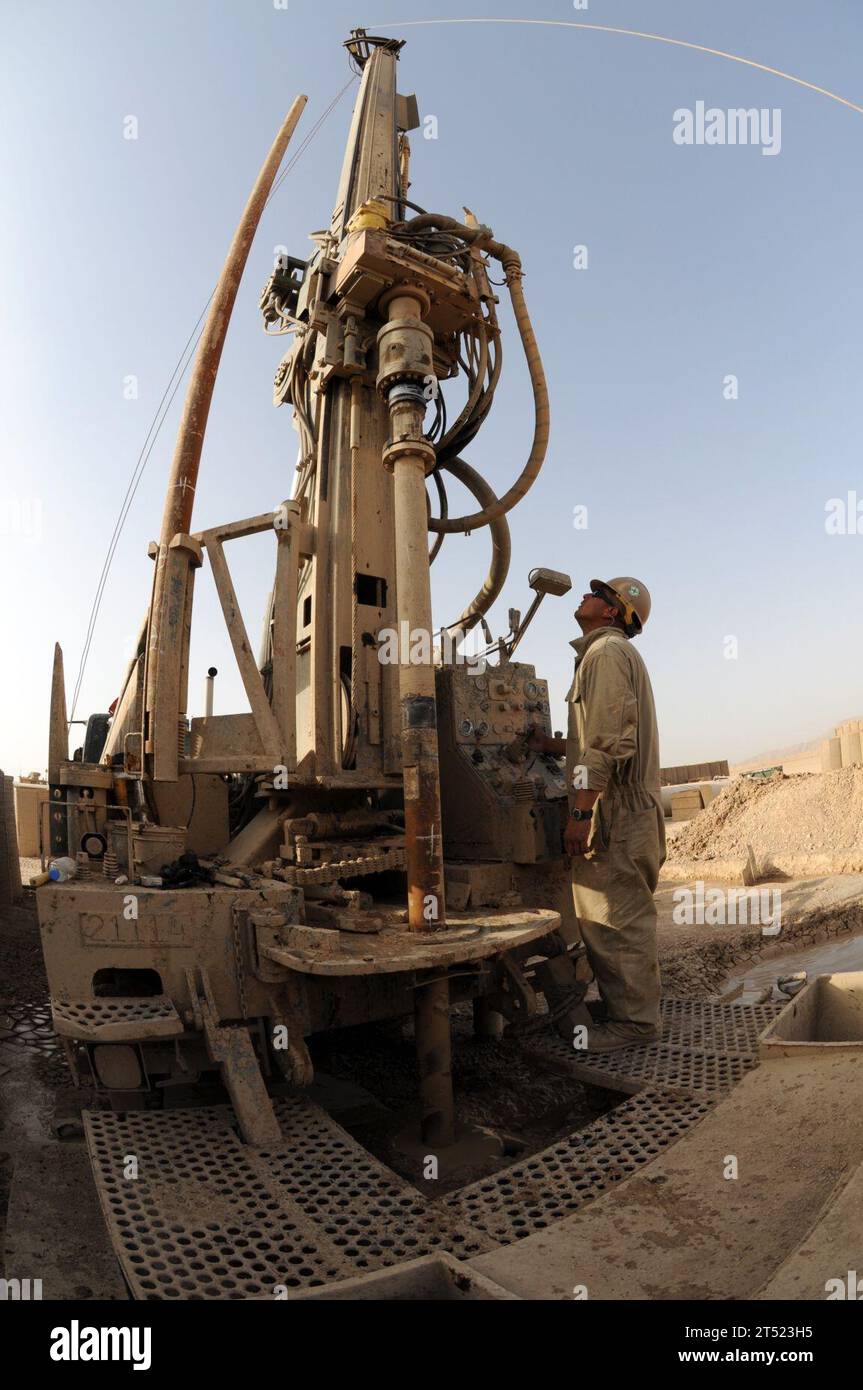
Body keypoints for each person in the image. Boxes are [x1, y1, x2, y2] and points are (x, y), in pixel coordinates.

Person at [528, 577, 665, 1051]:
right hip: (624, 807)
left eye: (596, 594)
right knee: (611, 917)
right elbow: (592, 739)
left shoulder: (605, 654)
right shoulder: (606, 655)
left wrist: (582, 813)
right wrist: (549, 747)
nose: (585, 596)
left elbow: (606, 743)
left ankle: (635, 1025)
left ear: (611, 612)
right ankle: (628, 1008)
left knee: (617, 921)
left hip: (614, 812)